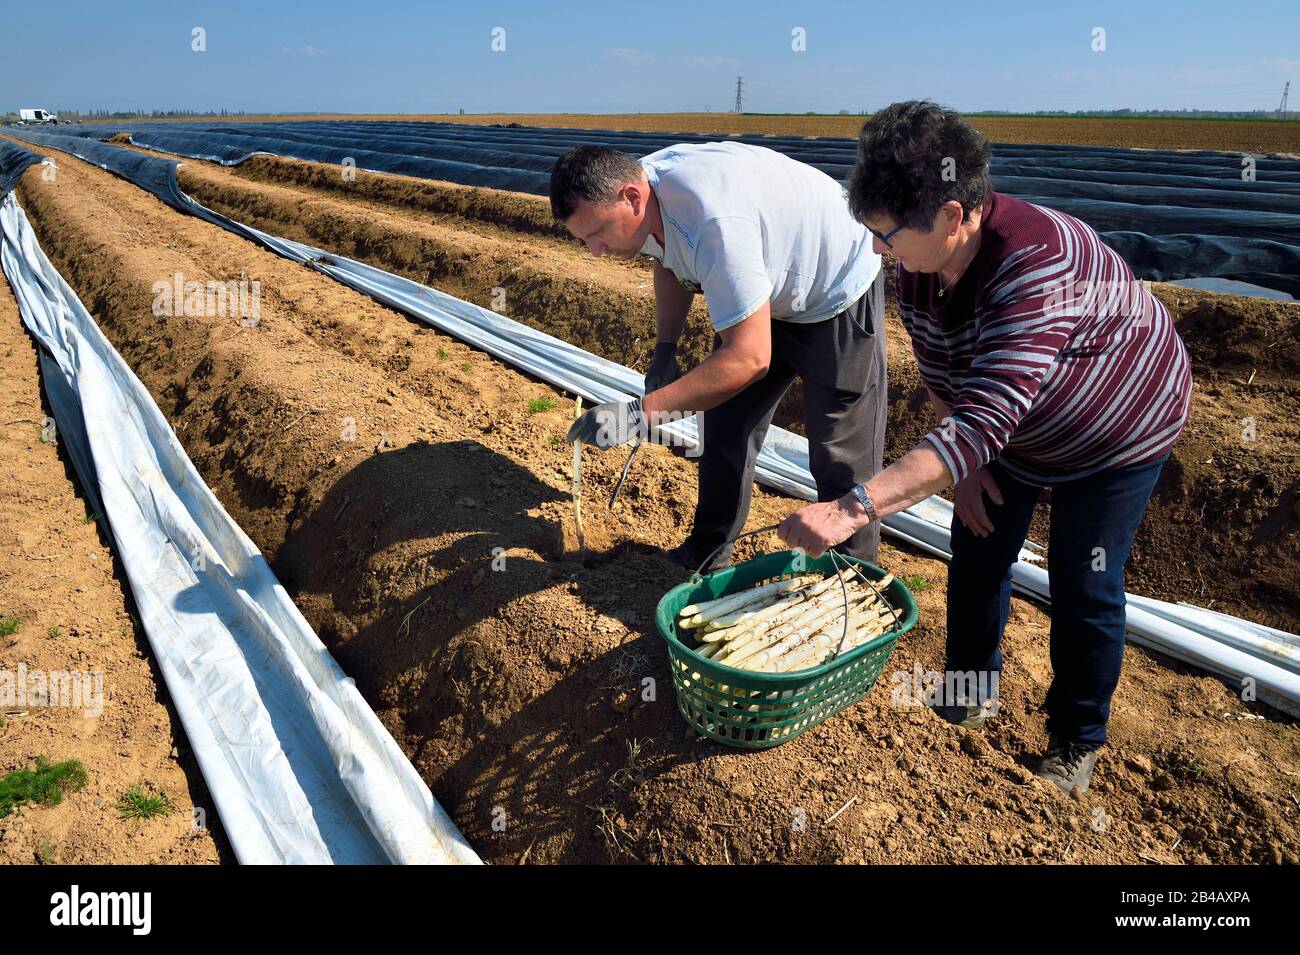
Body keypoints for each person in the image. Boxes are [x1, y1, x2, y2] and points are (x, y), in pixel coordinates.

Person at [778, 101, 1192, 795]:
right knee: (977, 546)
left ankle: (1075, 737)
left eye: (886, 232)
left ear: (950, 213)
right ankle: (970, 689)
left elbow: (979, 425)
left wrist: (852, 507)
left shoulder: (1036, 266)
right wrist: (961, 473)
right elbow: (945, 376)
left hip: (1118, 425)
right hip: (1006, 425)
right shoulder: (918, 264)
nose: (878, 248)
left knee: (1083, 578)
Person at [552, 142, 886, 571]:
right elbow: (668, 257)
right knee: (725, 424)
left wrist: (637, 415)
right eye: (584, 241)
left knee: (838, 452)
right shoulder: (643, 193)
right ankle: (708, 550)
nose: (595, 251)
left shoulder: (713, 220)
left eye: (597, 234)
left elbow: (749, 359)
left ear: (632, 197)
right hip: (762, 274)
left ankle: (854, 580)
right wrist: (665, 347)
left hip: (832, 286)